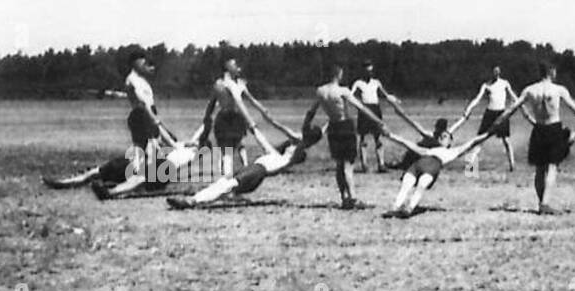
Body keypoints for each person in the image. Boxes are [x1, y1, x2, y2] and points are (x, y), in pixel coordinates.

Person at [488, 61, 575, 214]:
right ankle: (545, 203)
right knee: (552, 166)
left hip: (539, 129)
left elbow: (511, 109)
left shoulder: (530, 90)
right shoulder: (558, 90)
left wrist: (495, 124)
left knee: (539, 168)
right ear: (551, 72)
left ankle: (541, 203)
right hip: (553, 129)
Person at [302, 63, 400, 209]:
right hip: (345, 126)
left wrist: (305, 125)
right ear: (338, 75)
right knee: (348, 165)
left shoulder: (320, 91)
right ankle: (353, 198)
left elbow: (311, 111)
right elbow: (361, 107)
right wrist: (379, 122)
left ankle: (344, 198)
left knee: (339, 164)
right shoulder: (342, 91)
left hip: (333, 127)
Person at [167, 122, 324, 209]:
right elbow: (263, 141)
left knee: (226, 186)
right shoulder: (276, 155)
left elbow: (304, 142)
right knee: (223, 184)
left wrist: (312, 136)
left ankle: (192, 201)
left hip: (257, 172)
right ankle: (194, 199)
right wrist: (253, 128)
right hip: (255, 170)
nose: (293, 142)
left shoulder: (293, 157)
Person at [378, 120, 500, 218]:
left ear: (450, 142)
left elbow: (472, 142)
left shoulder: (453, 152)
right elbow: (407, 144)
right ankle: (395, 207)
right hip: (417, 165)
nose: (442, 137)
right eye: (441, 136)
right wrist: (390, 135)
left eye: (446, 136)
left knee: (421, 185)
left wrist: (488, 134)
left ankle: (409, 208)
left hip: (432, 167)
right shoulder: (429, 150)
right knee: (406, 184)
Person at [453, 66, 522, 172]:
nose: (496, 73)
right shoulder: (486, 85)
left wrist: (520, 104)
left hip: (502, 114)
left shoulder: (505, 83)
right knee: (479, 140)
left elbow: (513, 96)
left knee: (506, 141)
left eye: (497, 71)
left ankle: (512, 166)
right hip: (490, 114)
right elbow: (477, 99)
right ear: (491, 72)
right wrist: (469, 108)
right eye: (494, 71)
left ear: (500, 72)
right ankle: (471, 167)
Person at [123, 50, 177, 170]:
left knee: (154, 143)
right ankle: (142, 172)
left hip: (148, 113)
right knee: (145, 146)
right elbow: (141, 100)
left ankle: (145, 169)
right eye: (140, 60)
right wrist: (153, 118)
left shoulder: (142, 79)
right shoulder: (132, 79)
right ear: (133, 63)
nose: (143, 62)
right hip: (141, 114)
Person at [350, 61, 395, 173]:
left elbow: (385, 95)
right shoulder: (358, 83)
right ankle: (364, 165)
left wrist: (394, 99)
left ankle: (381, 164)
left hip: (376, 109)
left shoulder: (376, 82)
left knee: (378, 137)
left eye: (371, 71)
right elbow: (350, 95)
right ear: (363, 71)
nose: (369, 73)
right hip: (364, 110)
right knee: (363, 138)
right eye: (367, 71)